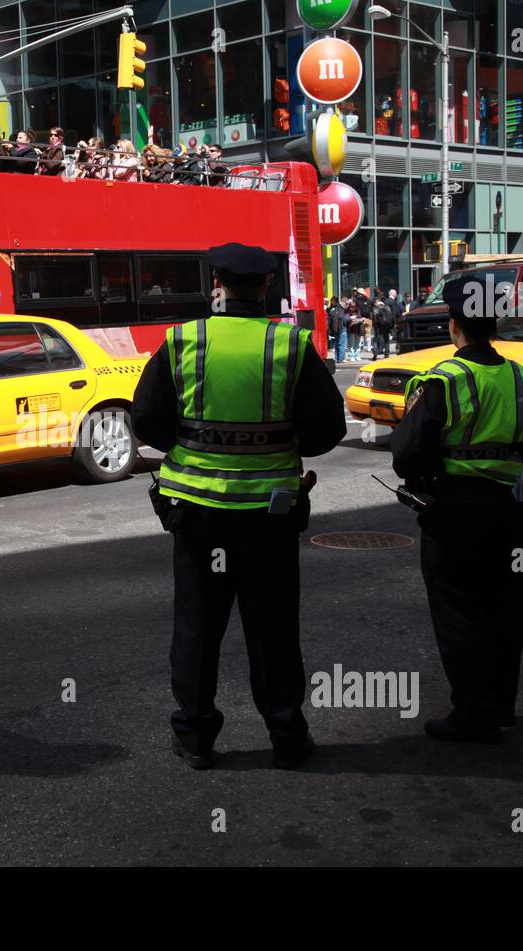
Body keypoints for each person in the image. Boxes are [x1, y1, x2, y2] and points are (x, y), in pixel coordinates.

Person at [132, 242, 346, 770]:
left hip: (197, 516)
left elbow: (148, 423)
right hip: (268, 518)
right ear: (267, 287)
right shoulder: (291, 346)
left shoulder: (184, 341)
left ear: (218, 285)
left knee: (197, 627)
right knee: (272, 628)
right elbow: (327, 431)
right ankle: (287, 736)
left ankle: (197, 737)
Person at [389, 275, 523, 744]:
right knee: (505, 609)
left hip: (454, 512)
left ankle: (472, 712)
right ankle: (503, 706)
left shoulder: (443, 379)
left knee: (458, 609)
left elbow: (407, 453)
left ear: (453, 324)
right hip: (510, 510)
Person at [372, 293, 394, 359]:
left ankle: (375, 353)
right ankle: (387, 354)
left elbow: (374, 318)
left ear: (376, 301)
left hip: (378, 326)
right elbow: (391, 317)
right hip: (386, 326)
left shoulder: (375, 308)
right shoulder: (387, 307)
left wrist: (375, 326)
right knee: (386, 340)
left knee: (375, 340)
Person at [326, 296, 346, 366]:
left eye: (334, 300)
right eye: (332, 300)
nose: (332, 302)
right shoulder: (332, 309)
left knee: (339, 344)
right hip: (338, 329)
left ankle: (339, 358)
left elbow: (339, 318)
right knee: (340, 344)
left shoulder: (334, 309)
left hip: (339, 328)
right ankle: (339, 358)